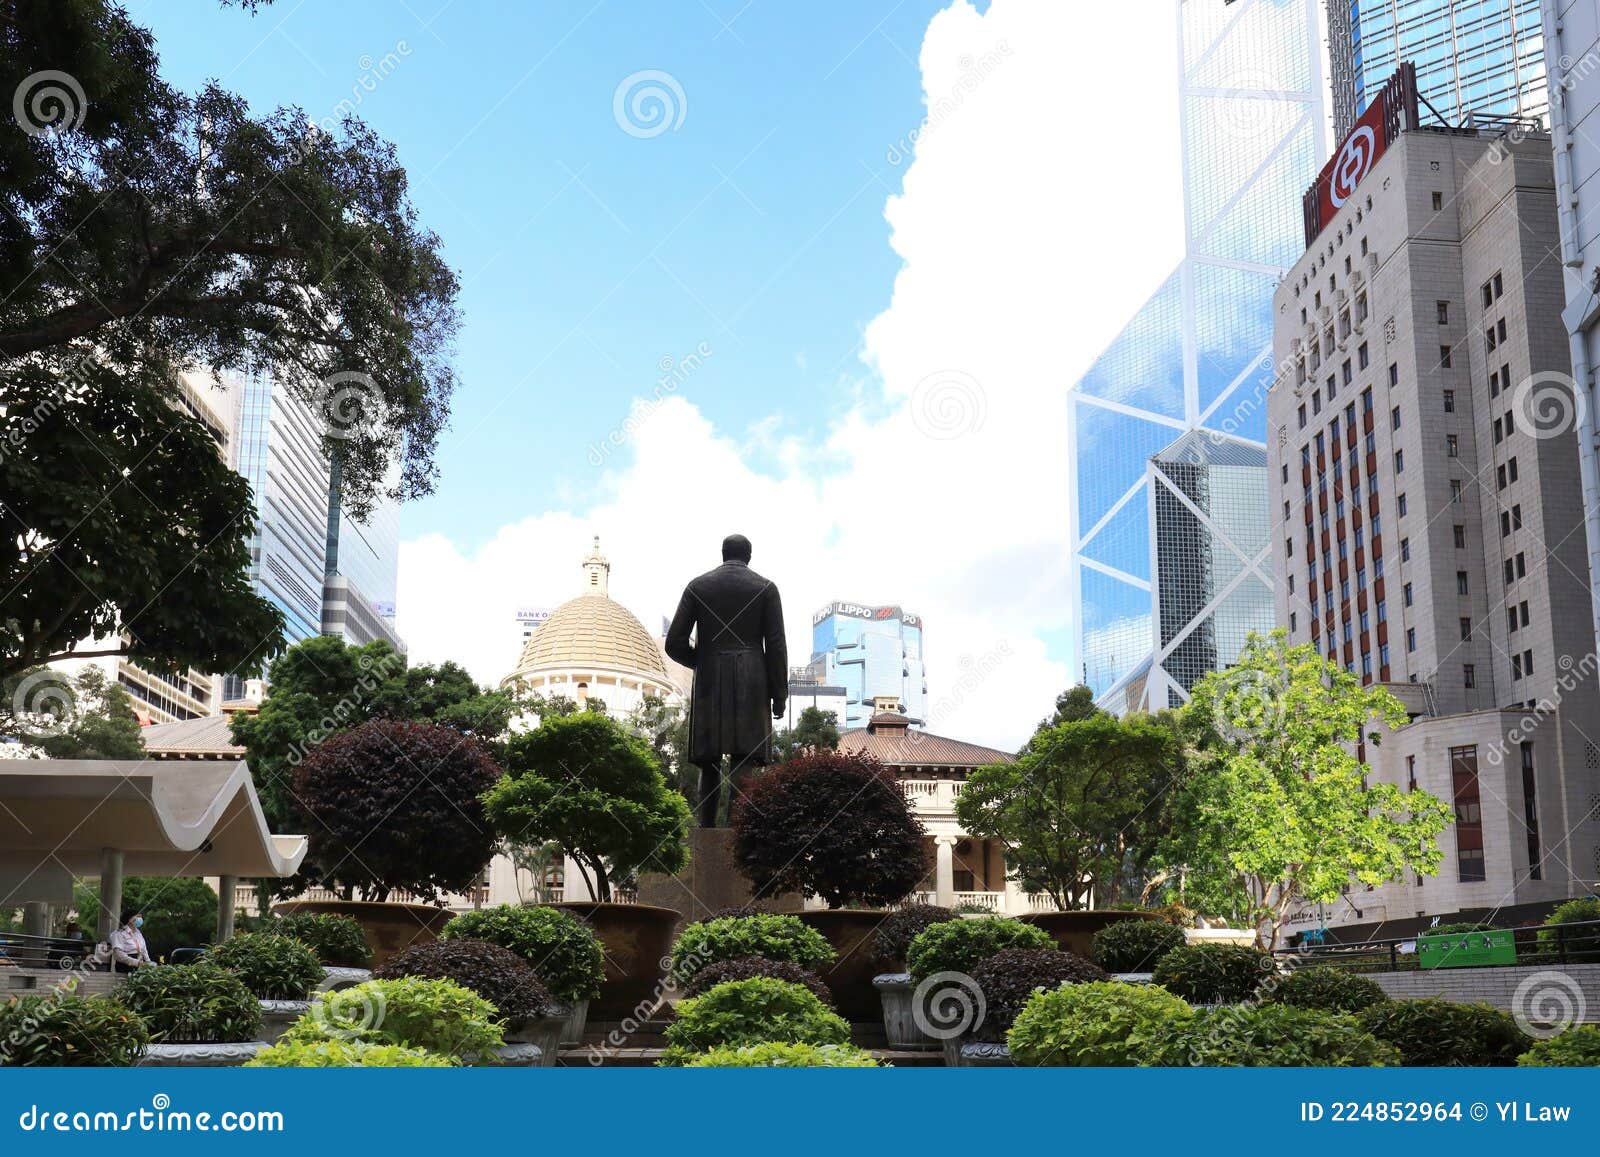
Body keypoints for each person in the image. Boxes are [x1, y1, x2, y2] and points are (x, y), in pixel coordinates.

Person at [665, 533, 788, 827]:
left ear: (723, 554)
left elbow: (674, 643)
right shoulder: (766, 588)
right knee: (744, 760)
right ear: (749, 556)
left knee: (708, 762)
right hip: (753, 680)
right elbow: (776, 645)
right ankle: (736, 833)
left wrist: (701, 661)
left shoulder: (697, 586)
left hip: (709, 680)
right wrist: (779, 694)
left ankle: (706, 831)